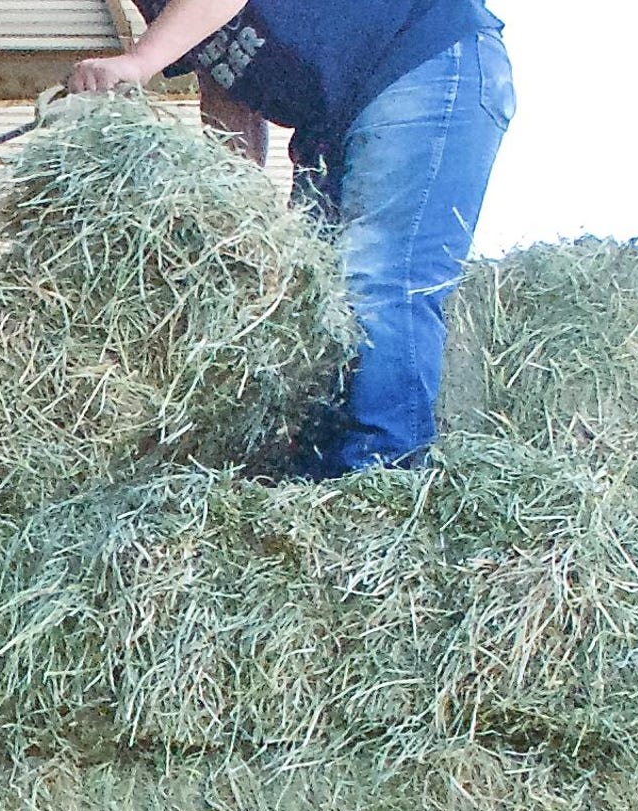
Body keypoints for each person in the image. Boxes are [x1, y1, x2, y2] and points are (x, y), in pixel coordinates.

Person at [71, 0, 514, 474]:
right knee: (311, 292)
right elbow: (226, 84)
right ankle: (321, 471)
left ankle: (381, 472)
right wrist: (232, 209)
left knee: (378, 277)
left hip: (417, 60)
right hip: (332, 115)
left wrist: (139, 62)